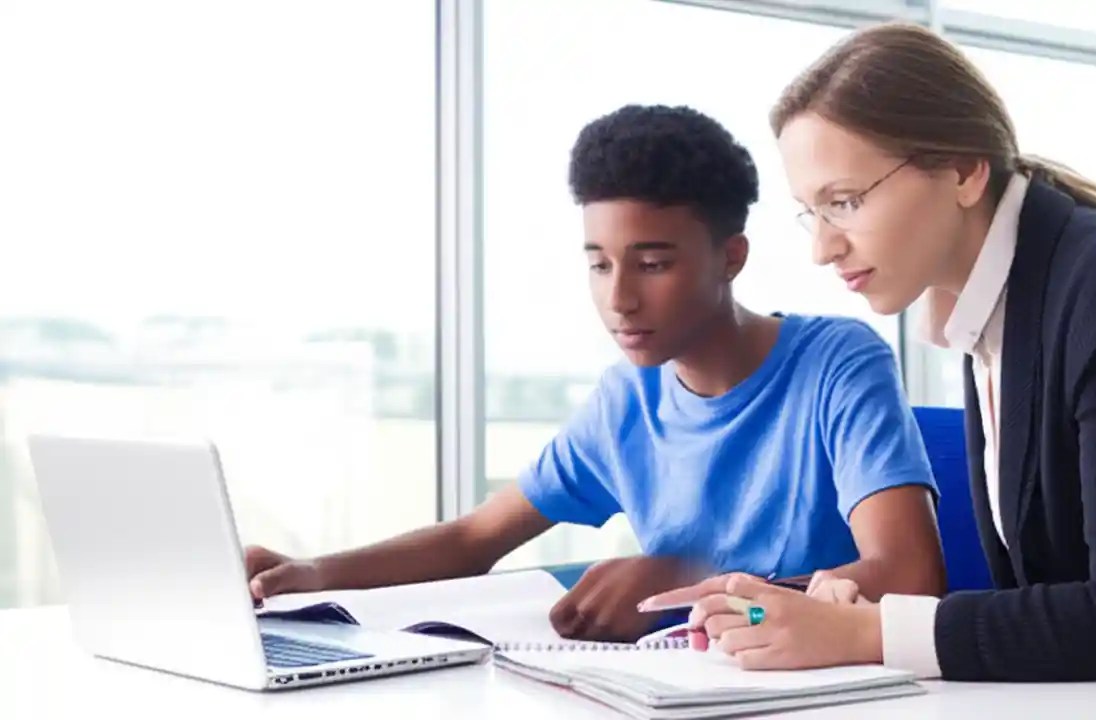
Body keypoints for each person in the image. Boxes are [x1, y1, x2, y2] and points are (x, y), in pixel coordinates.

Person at [642, 24, 1096, 692]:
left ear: (964, 170)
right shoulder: (993, 310)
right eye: (812, 212)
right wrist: (805, 605)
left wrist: (869, 633)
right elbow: (1052, 601)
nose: (823, 248)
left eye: (846, 202)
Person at [245, 104, 944, 643]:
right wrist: (311, 576)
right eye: (599, 263)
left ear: (732, 257)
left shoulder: (837, 365)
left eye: (652, 263)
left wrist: (701, 583)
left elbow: (911, 574)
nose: (619, 298)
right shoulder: (627, 401)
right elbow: (474, 539)